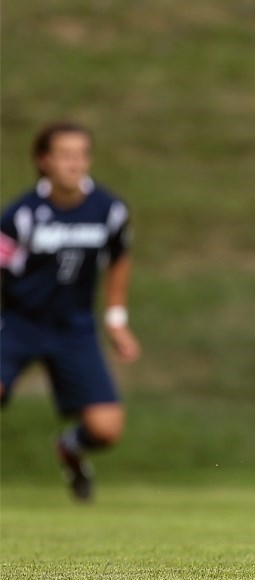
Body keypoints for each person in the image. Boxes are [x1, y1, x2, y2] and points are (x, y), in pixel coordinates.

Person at [1, 121, 141, 501]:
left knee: (106, 429)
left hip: (73, 328)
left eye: (81, 155)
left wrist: (116, 320)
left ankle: (70, 449)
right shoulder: (22, 215)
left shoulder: (108, 210)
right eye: (65, 155)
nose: (74, 163)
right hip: (18, 323)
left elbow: (119, 258)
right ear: (44, 160)